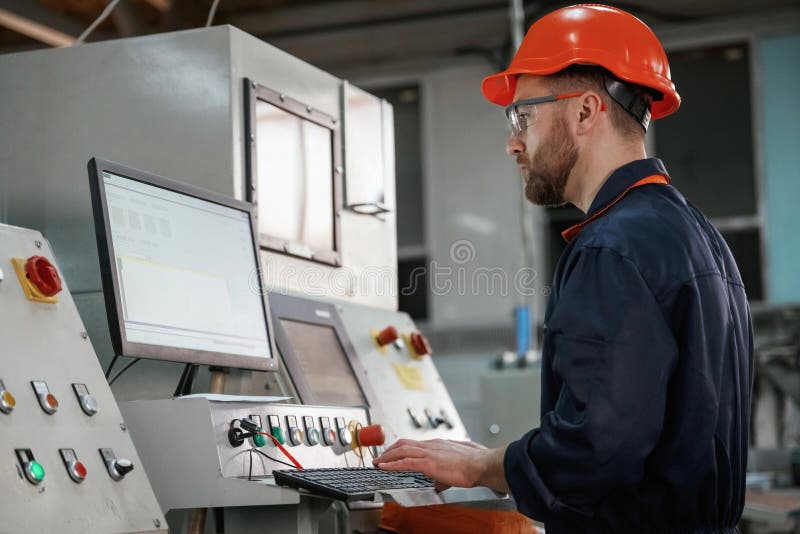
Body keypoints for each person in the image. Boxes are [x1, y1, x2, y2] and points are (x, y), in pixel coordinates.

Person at [374, 4, 753, 533]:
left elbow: (598, 447)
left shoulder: (613, 248)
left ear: (584, 111)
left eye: (523, 116)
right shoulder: (695, 236)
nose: (513, 141)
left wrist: (481, 464)